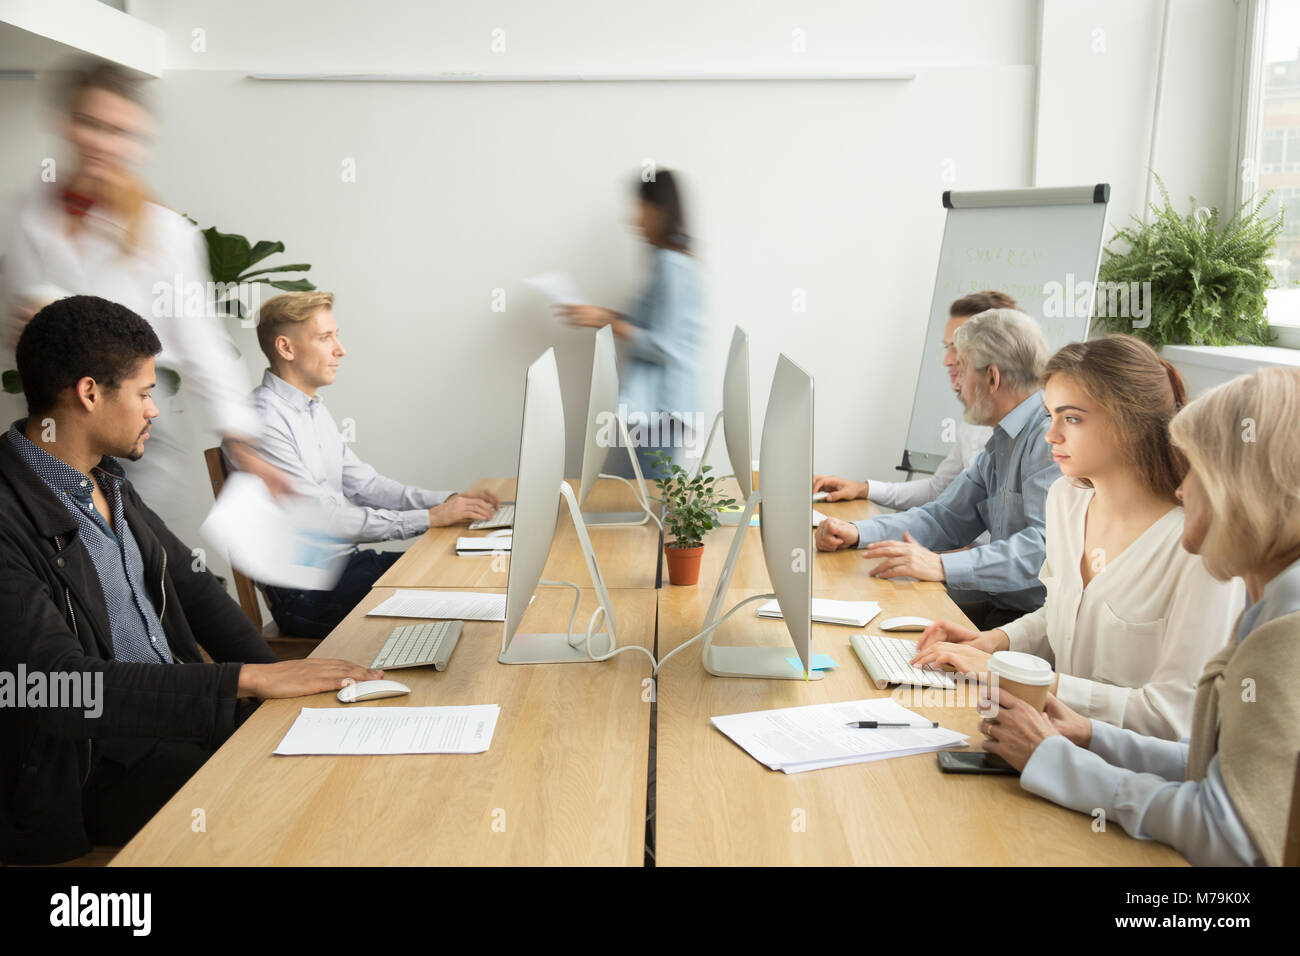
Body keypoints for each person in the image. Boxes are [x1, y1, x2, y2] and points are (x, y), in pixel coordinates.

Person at [0, 296, 384, 865]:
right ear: (88, 394)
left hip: (176, 721)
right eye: (144, 392)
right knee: (303, 800)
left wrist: (282, 679)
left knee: (350, 753)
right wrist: (247, 680)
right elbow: (60, 686)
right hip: (94, 770)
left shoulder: (108, 482)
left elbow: (196, 589)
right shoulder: (10, 514)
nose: (154, 410)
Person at [978, 367, 1300, 866]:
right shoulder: (1271, 607)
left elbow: (1232, 833)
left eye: (1196, 469)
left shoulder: (1284, 638)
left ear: (1245, 488)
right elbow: (1212, 766)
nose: (1181, 489)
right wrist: (1090, 736)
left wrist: (1057, 763)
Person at [0, 61, 289, 550]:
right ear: (66, 124)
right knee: (60, 577)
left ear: (137, 142)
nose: (101, 142)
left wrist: (243, 442)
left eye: (118, 131)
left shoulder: (163, 232)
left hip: (137, 441)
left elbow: (201, 344)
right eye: (90, 123)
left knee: (138, 568)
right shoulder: (29, 216)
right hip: (50, 438)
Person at [910, 335, 1244, 739]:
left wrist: (1016, 677)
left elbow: (1175, 715)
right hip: (1042, 741)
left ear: (1131, 423)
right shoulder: (1065, 500)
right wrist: (994, 642)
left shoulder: (1199, 549)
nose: (1051, 435)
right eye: (1050, 415)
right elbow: (1061, 613)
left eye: (1071, 418)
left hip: (1123, 776)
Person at [249, 292, 500, 640]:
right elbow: (323, 520)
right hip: (309, 596)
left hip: (347, 569)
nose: (341, 349)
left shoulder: (311, 408)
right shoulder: (263, 420)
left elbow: (366, 486)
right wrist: (430, 519)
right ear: (286, 349)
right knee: (459, 587)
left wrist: (450, 501)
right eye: (325, 338)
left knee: (465, 568)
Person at [816, 308, 1060, 630]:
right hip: (1004, 610)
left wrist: (941, 565)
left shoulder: (1049, 439)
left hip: (1037, 627)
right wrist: (858, 532)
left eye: (961, 370)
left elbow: (1043, 550)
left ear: (992, 377)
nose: (956, 385)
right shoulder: (1002, 439)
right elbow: (943, 518)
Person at [814, 291, 1019, 536]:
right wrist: (864, 490)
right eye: (948, 347)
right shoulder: (975, 421)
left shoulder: (1036, 434)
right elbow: (939, 491)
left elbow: (1026, 551)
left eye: (959, 347)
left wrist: (950, 558)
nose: (947, 360)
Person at [560, 169, 704, 480]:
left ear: (659, 210)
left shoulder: (672, 266)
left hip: (662, 408)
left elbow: (664, 346)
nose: (633, 219)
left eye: (639, 208)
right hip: (658, 407)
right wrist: (603, 315)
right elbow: (653, 326)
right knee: (641, 500)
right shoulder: (668, 262)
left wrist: (605, 320)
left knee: (643, 503)